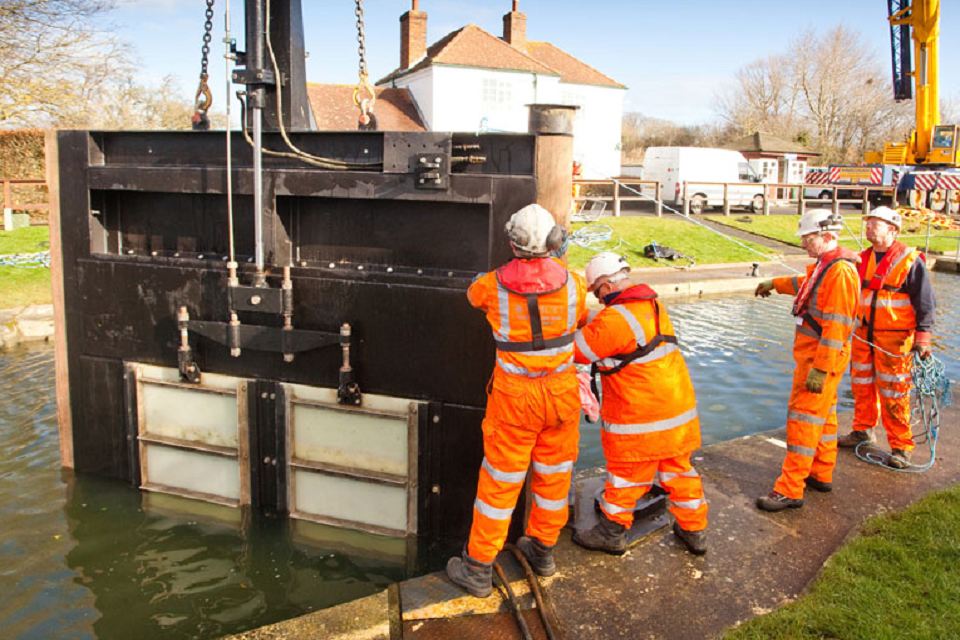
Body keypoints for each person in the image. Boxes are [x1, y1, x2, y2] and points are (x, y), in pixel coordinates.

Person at [446, 203, 589, 598]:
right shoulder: (576, 283)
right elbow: (579, 320)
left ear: (512, 243)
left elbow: (472, 295)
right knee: (554, 477)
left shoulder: (492, 285)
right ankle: (542, 551)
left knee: (500, 482)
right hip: (560, 393)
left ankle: (477, 567)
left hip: (515, 398)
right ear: (555, 241)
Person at [570, 252, 707, 556]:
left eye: (596, 293)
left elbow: (578, 351)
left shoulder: (615, 320)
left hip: (640, 417)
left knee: (625, 476)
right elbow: (616, 330)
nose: (598, 299)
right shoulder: (651, 306)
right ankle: (694, 530)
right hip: (677, 412)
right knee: (680, 473)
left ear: (605, 286)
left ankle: (611, 532)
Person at [754, 209, 860, 511]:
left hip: (819, 359)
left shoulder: (840, 272)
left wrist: (820, 370)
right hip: (816, 358)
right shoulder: (828, 266)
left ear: (827, 236)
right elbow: (807, 284)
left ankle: (790, 489)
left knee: (802, 420)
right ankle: (820, 473)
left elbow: (836, 327)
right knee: (823, 418)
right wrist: (774, 283)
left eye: (807, 238)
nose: (803, 244)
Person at [838, 206, 936, 469]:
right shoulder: (861, 259)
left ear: (892, 229)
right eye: (867, 223)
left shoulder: (909, 260)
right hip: (862, 337)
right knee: (861, 386)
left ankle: (901, 447)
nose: (868, 227)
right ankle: (862, 430)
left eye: (874, 223)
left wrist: (923, 338)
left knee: (895, 394)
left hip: (894, 340)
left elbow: (925, 302)